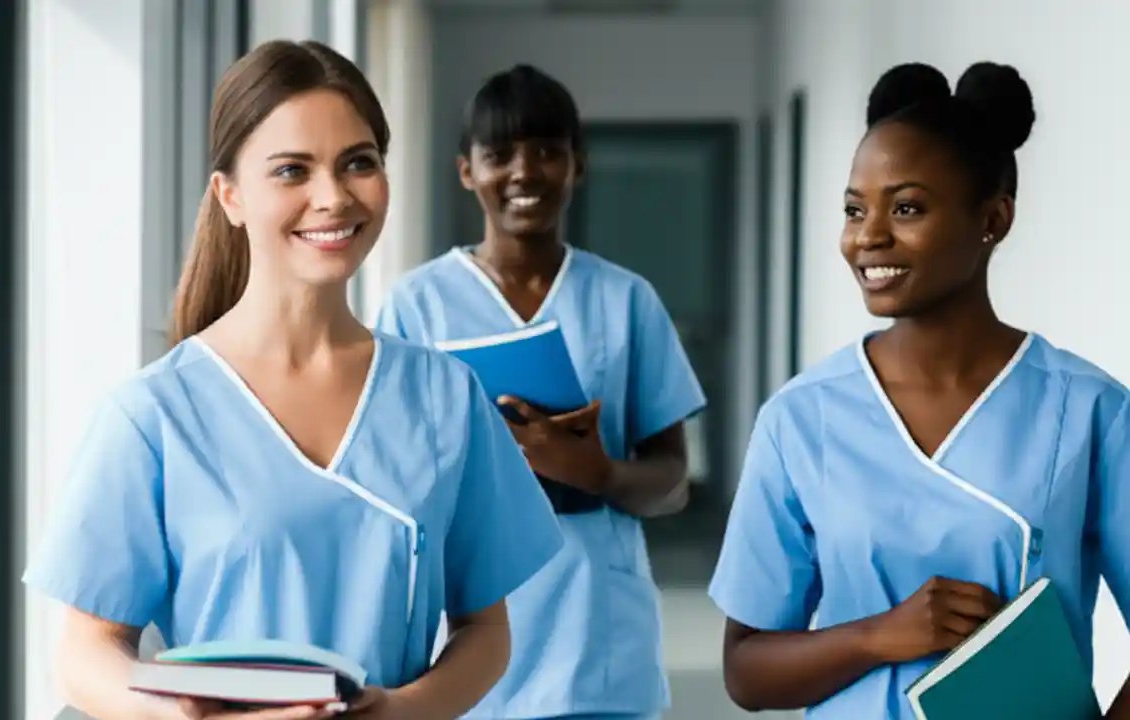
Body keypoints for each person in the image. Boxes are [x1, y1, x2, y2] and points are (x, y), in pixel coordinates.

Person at [22, 41, 563, 720]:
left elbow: (486, 633)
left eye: (358, 164)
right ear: (231, 196)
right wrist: (182, 715)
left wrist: (397, 711)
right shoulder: (154, 415)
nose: (333, 198)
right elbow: (83, 653)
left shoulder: (445, 397)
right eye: (291, 171)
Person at [708, 61, 1130, 719]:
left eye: (906, 208)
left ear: (993, 218)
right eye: (855, 209)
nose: (867, 236)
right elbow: (746, 671)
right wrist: (879, 636)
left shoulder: (1088, 410)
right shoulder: (801, 418)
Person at [375, 64, 706, 720]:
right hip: (465, 641)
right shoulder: (417, 306)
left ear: (577, 166)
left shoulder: (626, 300)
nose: (524, 172)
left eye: (547, 152)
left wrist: (600, 471)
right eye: (499, 155)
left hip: (596, 644)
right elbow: (387, 478)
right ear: (467, 170)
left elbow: (673, 483)